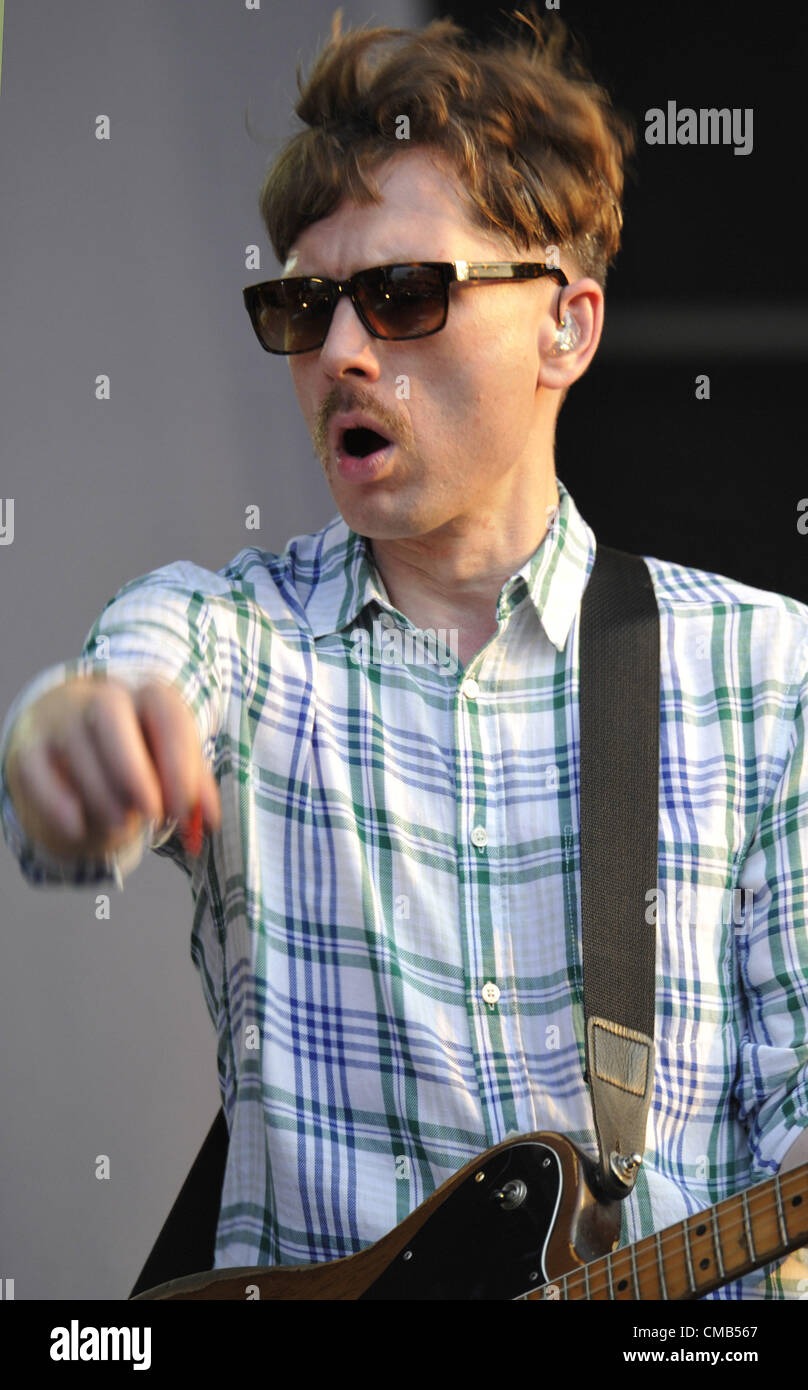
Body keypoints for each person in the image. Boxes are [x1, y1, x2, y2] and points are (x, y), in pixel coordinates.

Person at [2, 9, 807, 1300]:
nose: (340, 353)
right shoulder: (244, 641)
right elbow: (100, 723)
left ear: (570, 328)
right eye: (302, 308)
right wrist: (65, 748)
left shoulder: (769, 673)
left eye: (403, 292)